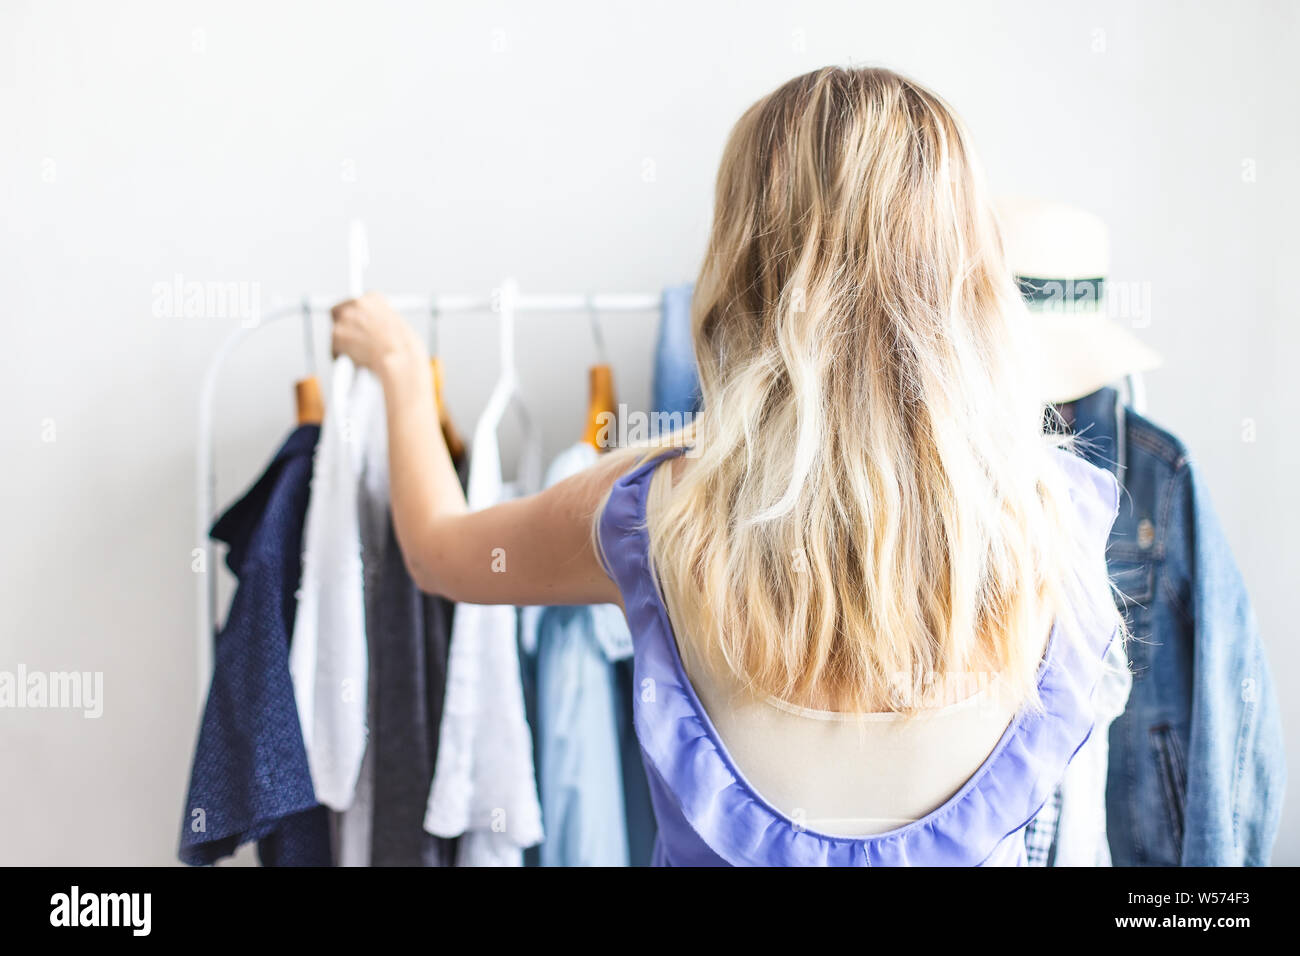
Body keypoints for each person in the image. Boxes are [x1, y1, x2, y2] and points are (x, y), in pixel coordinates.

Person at [329, 65, 1126, 867]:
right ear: (970, 266)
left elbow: (437, 553)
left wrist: (401, 366)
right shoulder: (1062, 519)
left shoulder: (654, 513)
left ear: (745, 262)